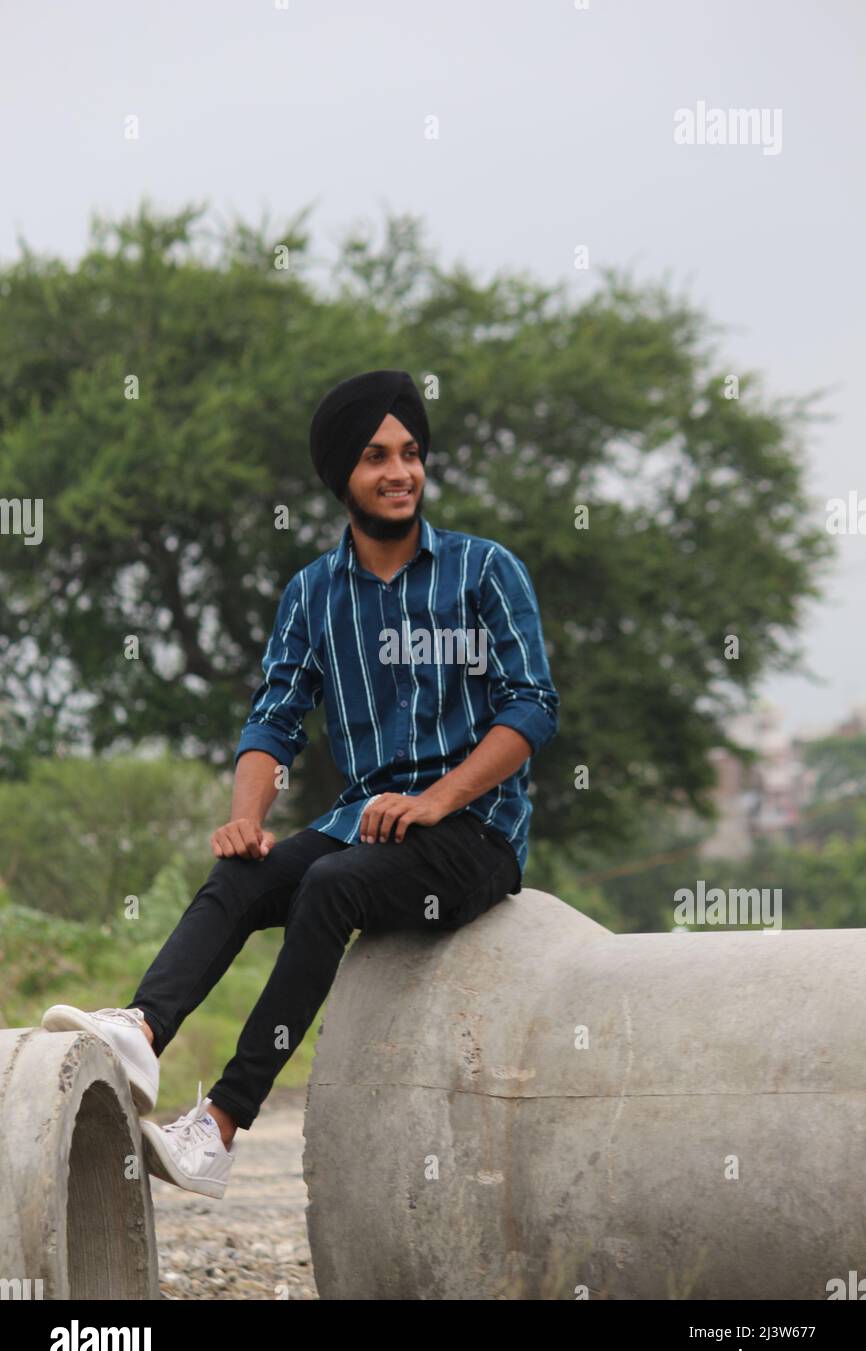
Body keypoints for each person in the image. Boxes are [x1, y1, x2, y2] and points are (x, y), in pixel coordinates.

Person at [41, 369, 559, 1199]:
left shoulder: (485, 572)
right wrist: (247, 816)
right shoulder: (313, 594)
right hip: (368, 820)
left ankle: (218, 1125)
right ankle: (141, 1029)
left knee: (330, 886)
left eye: (411, 453)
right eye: (376, 457)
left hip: (476, 830)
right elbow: (274, 721)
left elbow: (531, 709)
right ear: (341, 479)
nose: (400, 472)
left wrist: (434, 800)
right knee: (244, 874)